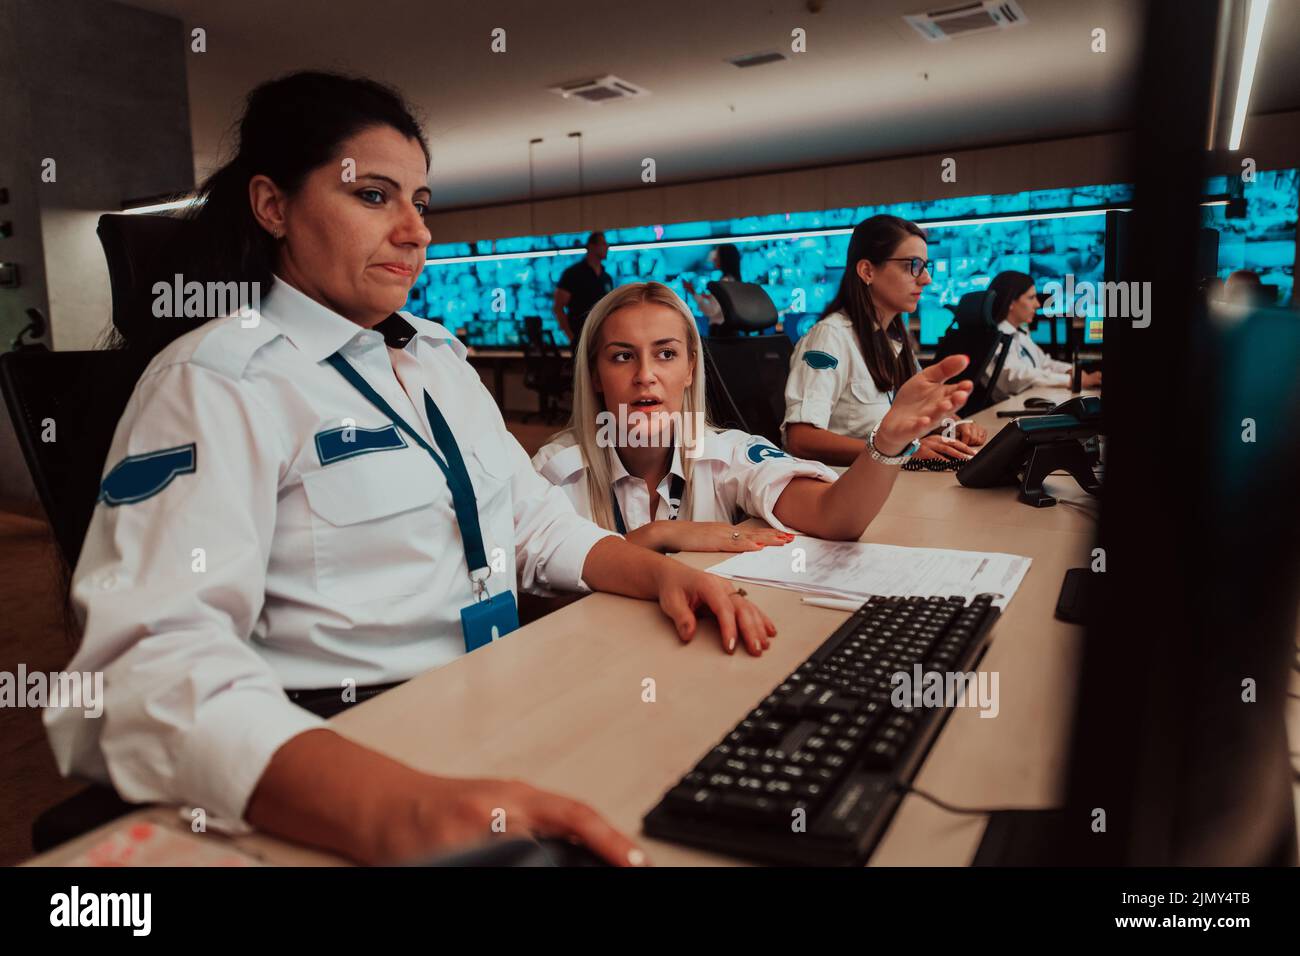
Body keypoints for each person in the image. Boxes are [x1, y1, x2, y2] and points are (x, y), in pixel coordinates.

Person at [44, 72, 779, 869]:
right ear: (273, 206)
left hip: (498, 697)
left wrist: (655, 573)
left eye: (420, 202)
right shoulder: (219, 382)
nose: (416, 232)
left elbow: (529, 522)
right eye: (374, 197)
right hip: (353, 745)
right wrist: (398, 810)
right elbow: (148, 668)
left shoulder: (435, 358)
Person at [532, 282, 973, 552]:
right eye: (622, 356)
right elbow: (523, 602)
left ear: (689, 369)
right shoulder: (552, 474)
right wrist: (651, 539)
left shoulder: (727, 453)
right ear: (594, 374)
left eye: (666, 354)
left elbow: (836, 518)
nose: (645, 376)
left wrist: (887, 445)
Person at [782, 215, 988, 465]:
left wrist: (955, 424)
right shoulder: (829, 337)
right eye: (912, 265)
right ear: (867, 271)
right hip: (848, 488)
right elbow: (801, 439)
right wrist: (900, 452)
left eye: (925, 266)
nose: (926, 279)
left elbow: (923, 409)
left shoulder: (895, 340)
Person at [985, 270, 1101, 401]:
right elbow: (1016, 377)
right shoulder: (996, 339)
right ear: (1011, 302)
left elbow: (1045, 363)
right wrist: (1072, 380)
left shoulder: (1019, 335)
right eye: (1031, 297)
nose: (1038, 304)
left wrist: (1071, 371)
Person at [553, 231, 613, 345]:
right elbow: (558, 307)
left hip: (603, 340)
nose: (607, 247)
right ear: (592, 246)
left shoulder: (606, 277)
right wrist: (571, 337)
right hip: (581, 339)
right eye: (603, 243)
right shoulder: (573, 274)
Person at [682, 243, 742, 332]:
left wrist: (693, 293)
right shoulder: (735, 281)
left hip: (720, 332)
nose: (714, 259)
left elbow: (711, 310)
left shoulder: (723, 284)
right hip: (731, 332)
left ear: (725, 259)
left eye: (717, 255)